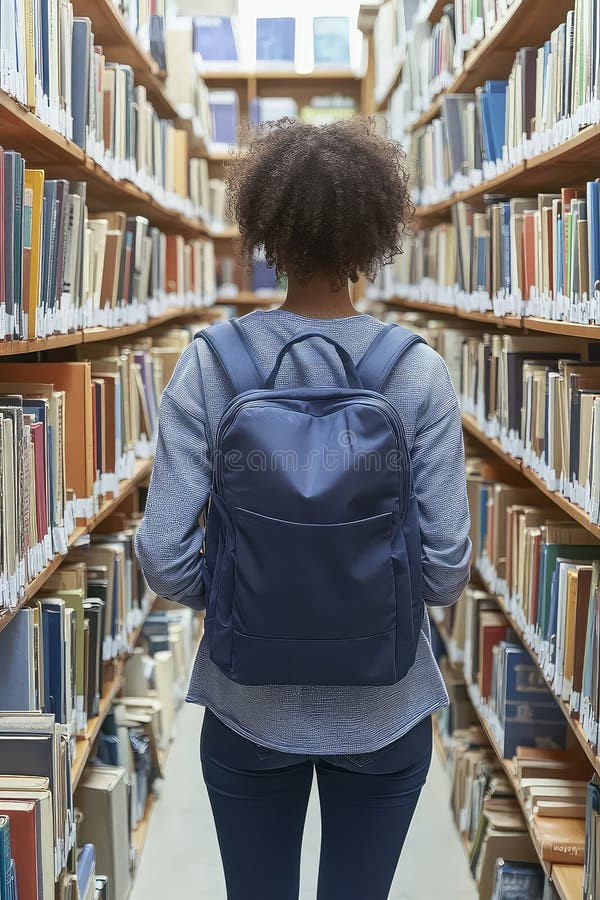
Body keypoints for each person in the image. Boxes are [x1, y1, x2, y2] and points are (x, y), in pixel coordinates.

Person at [135, 117, 471, 900]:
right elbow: (449, 570)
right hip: (385, 708)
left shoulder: (210, 365)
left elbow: (161, 554)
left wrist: (242, 598)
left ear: (265, 231)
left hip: (246, 702)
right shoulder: (417, 373)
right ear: (376, 234)